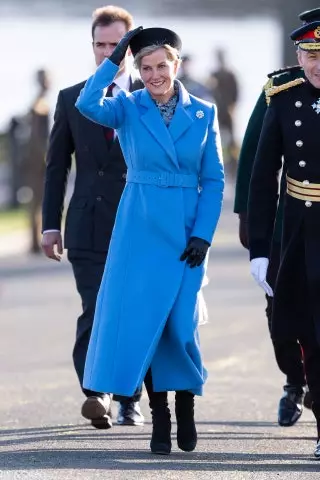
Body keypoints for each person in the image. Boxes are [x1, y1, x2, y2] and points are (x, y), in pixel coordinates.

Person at [76, 26, 224, 454]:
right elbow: (86, 103)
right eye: (146, 67)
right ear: (137, 69)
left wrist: (203, 236)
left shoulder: (204, 113)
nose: (155, 74)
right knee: (148, 325)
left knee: (181, 325)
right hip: (138, 229)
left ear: (176, 65)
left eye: (162, 66)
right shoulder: (127, 107)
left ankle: (186, 407)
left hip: (184, 234)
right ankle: (160, 416)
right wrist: (114, 60)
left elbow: (213, 181)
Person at [41, 6, 144, 430]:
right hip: (86, 224)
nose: (107, 53)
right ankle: (96, 392)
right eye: (100, 44)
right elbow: (55, 167)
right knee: (96, 308)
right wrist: (50, 224)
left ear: (130, 47)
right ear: (92, 46)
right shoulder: (70, 98)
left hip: (138, 225)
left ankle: (130, 399)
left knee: (134, 311)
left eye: (115, 45)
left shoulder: (151, 94)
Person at [235, 7, 320, 426]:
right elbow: (256, 157)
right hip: (293, 220)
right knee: (284, 316)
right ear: (301, 55)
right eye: (312, 53)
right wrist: (252, 224)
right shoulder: (281, 92)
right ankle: (294, 379)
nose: (318, 63)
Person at [24, 69, 50, 253]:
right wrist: (45, 157)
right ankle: (34, 242)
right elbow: (36, 136)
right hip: (38, 160)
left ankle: (35, 241)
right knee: (37, 200)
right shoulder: (39, 103)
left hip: (37, 158)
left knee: (39, 201)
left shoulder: (40, 101)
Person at [207, 48, 239, 179]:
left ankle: (234, 167)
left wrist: (232, 107)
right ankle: (218, 165)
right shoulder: (213, 74)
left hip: (228, 111)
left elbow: (236, 93)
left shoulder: (230, 74)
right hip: (217, 110)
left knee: (231, 140)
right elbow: (209, 92)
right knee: (215, 138)